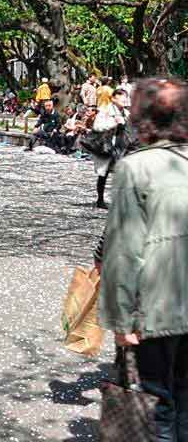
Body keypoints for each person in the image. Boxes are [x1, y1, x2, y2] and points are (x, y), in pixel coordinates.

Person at [97, 78, 188, 439]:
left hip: (156, 306)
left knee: (155, 403)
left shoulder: (137, 167)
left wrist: (120, 319)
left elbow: (124, 249)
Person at [89, 86, 130, 209]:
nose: (124, 102)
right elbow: (97, 127)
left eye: (125, 99)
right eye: (122, 99)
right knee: (104, 173)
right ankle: (100, 199)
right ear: (113, 99)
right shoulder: (105, 111)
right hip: (106, 145)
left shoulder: (127, 113)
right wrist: (114, 122)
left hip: (121, 146)